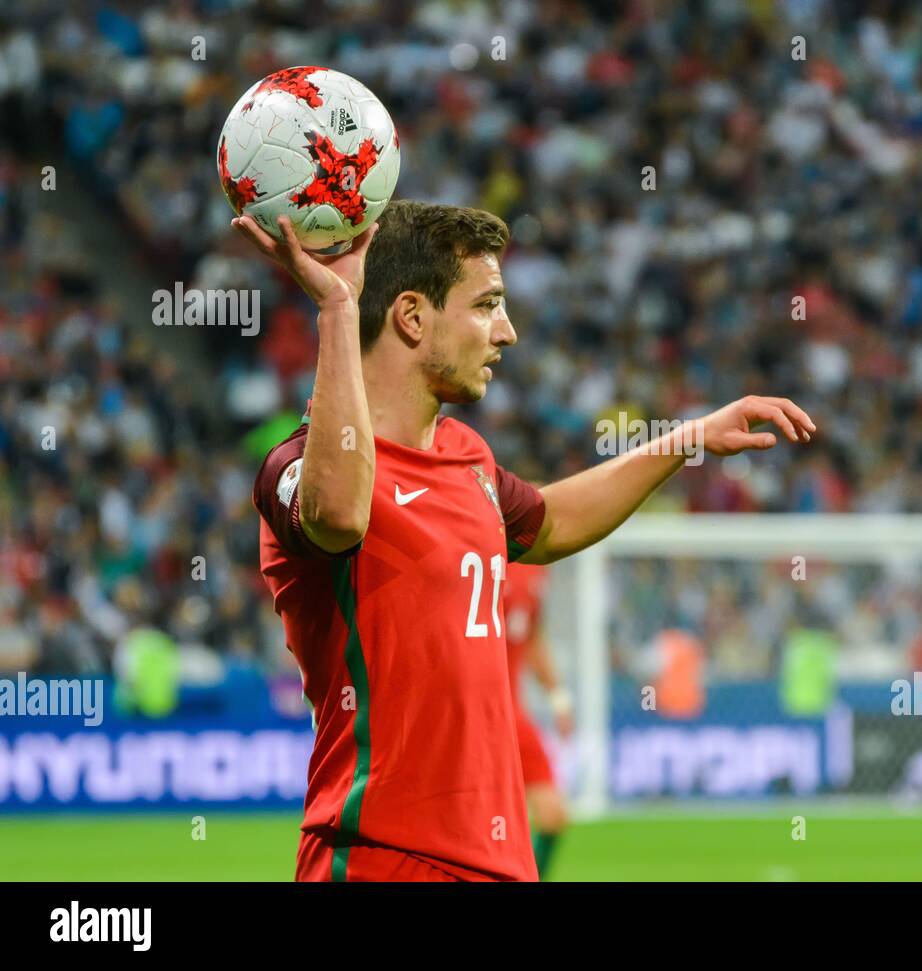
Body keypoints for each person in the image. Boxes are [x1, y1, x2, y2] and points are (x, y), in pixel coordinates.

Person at [241, 201, 816, 881]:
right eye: (486, 305)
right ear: (412, 316)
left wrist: (687, 439)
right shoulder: (300, 466)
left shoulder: (468, 459)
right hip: (383, 859)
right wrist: (338, 309)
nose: (507, 332)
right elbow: (338, 514)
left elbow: (551, 522)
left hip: (499, 863)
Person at [502, 560, 569, 879]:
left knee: (553, 815)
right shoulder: (479, 549)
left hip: (513, 716)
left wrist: (558, 697)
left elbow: (532, 637)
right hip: (473, 716)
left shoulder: (537, 568)